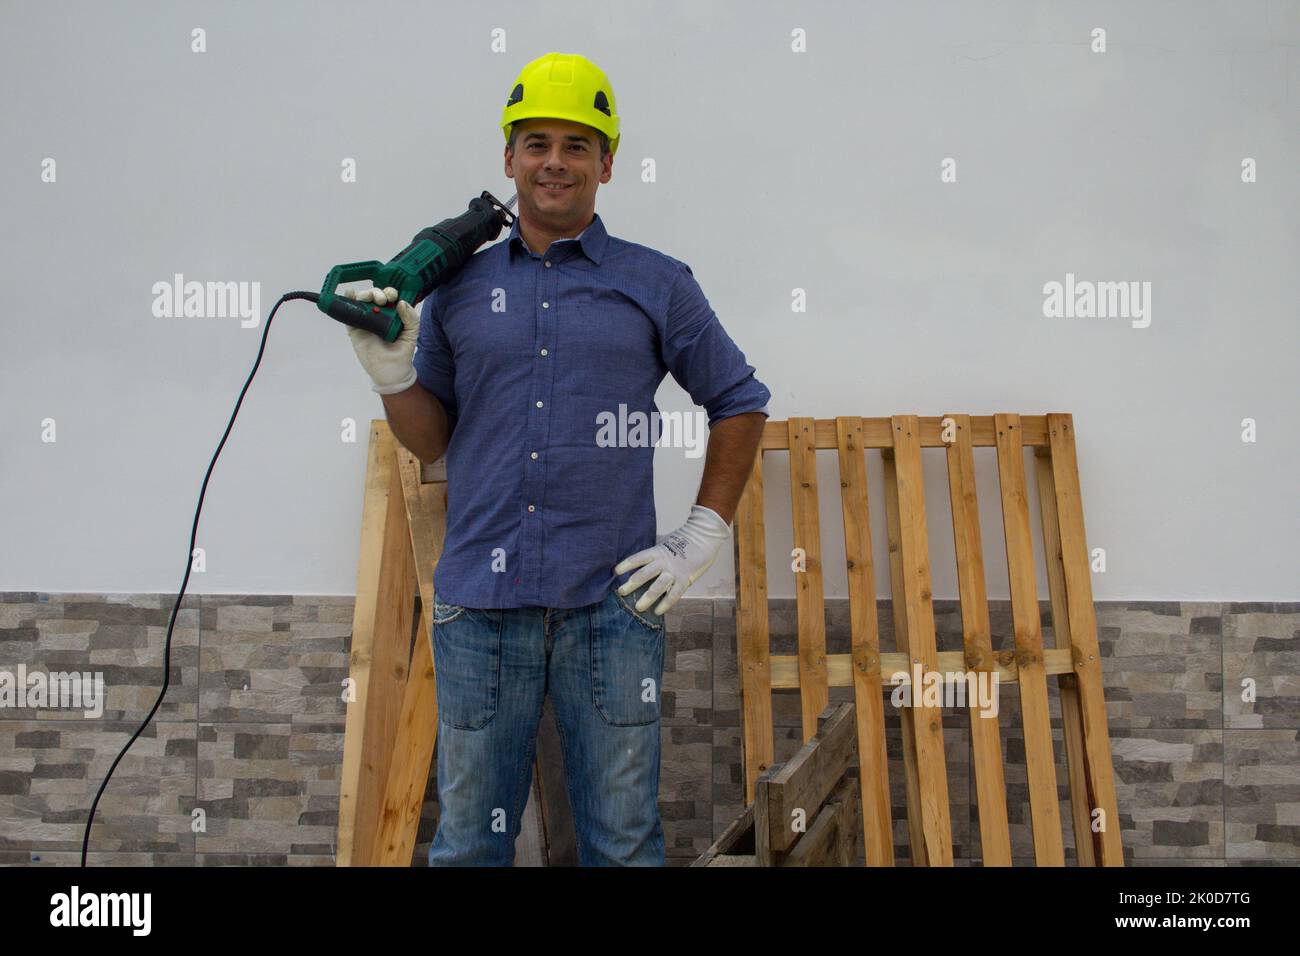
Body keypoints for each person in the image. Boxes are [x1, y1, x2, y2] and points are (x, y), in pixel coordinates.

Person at [344, 52, 771, 866]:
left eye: (578, 145)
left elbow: (739, 400)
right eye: (536, 143)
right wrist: (394, 379)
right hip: (481, 605)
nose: (555, 162)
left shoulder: (657, 283)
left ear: (607, 163)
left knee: (622, 843)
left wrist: (703, 533)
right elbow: (432, 441)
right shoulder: (459, 290)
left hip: (610, 607)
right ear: (508, 158)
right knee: (470, 844)